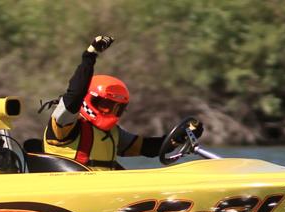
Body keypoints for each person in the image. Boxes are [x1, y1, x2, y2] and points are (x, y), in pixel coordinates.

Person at [42, 35, 202, 170]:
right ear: (89, 99)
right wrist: (89, 56)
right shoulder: (65, 126)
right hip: (71, 193)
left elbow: (148, 148)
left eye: (117, 108)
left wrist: (180, 137)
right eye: (106, 105)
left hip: (103, 195)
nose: (111, 112)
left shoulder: (112, 133)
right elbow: (75, 94)